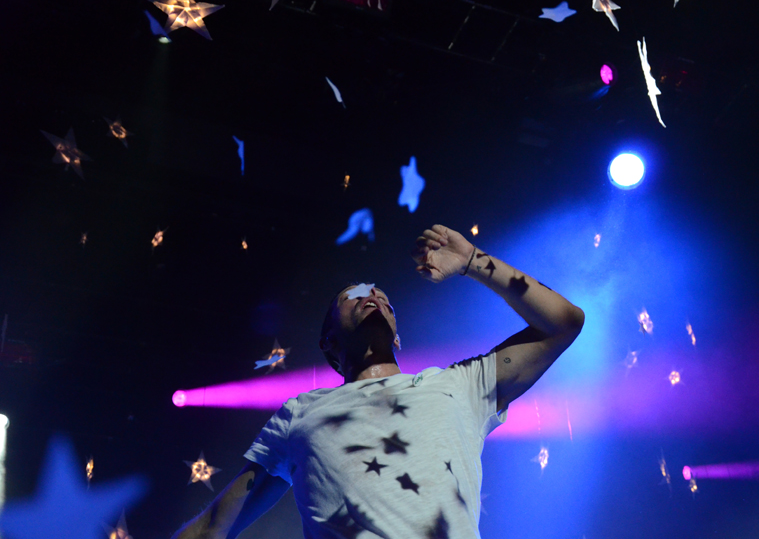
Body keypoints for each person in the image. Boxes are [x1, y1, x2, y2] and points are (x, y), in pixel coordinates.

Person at [172, 225, 584, 539]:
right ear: (329, 343)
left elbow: (564, 322)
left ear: (398, 334)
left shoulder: (460, 385)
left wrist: (475, 261)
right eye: (356, 293)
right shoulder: (300, 413)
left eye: (382, 294)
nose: (373, 294)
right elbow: (214, 526)